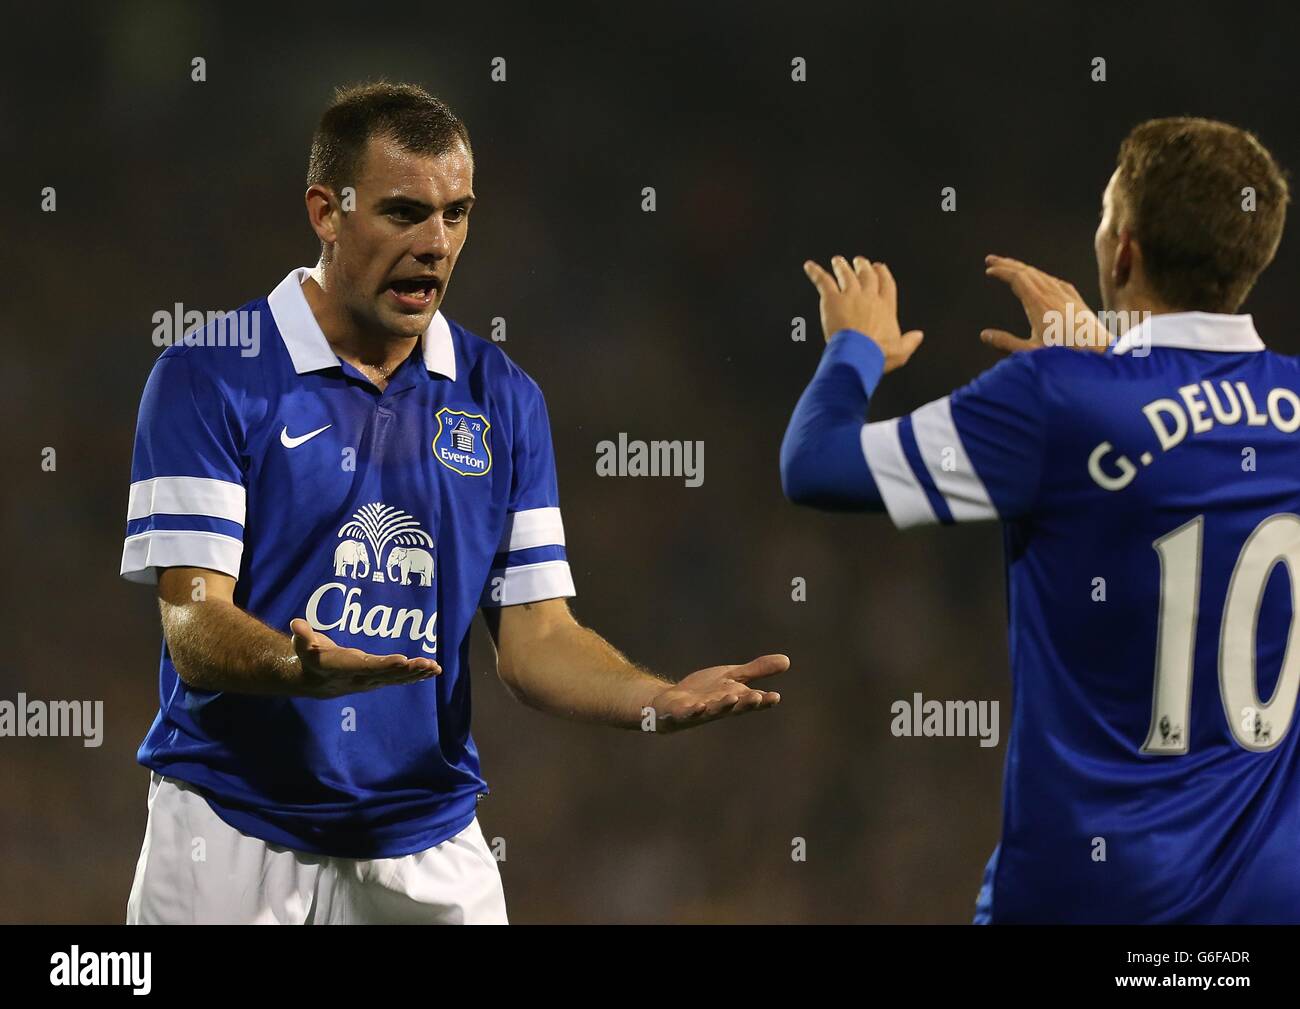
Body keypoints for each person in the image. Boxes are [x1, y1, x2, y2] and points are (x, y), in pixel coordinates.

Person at [121, 82, 788, 925]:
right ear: (327, 211)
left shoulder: (501, 399)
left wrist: (653, 700)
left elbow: (537, 637)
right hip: (228, 833)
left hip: (427, 841)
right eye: (404, 212)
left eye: (458, 213)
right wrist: (299, 668)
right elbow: (191, 621)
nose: (437, 244)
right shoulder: (212, 373)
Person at [781, 117, 1296, 922]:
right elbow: (1190, 440)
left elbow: (814, 465)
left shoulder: (1057, 400)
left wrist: (855, 351)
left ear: (1122, 247)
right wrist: (1114, 364)